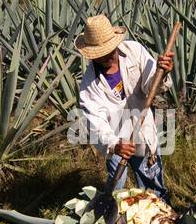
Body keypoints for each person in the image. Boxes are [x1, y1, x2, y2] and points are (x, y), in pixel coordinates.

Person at [74, 14, 174, 202]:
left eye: (110, 51)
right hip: (116, 138)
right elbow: (94, 121)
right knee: (116, 193)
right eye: (101, 55)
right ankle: (118, 223)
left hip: (143, 131)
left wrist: (162, 74)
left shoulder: (135, 52)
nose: (108, 57)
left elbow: (150, 86)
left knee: (153, 188)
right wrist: (113, 144)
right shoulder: (89, 84)